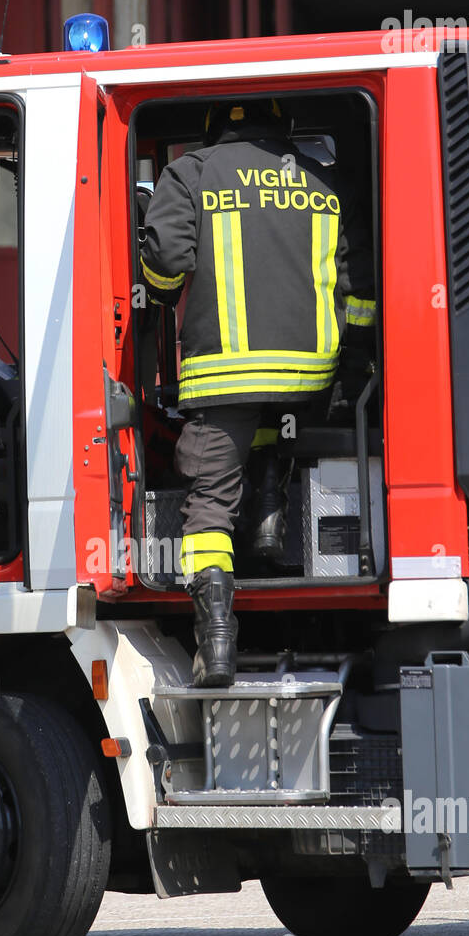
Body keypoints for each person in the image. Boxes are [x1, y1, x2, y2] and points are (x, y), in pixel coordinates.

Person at [139, 98, 376, 685]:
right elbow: (360, 281)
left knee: (208, 507)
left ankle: (217, 647)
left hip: (224, 376)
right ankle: (271, 513)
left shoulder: (190, 171)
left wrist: (163, 289)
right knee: (280, 428)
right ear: (284, 118)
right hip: (313, 375)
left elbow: (166, 259)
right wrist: (357, 364)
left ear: (215, 120)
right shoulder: (324, 179)